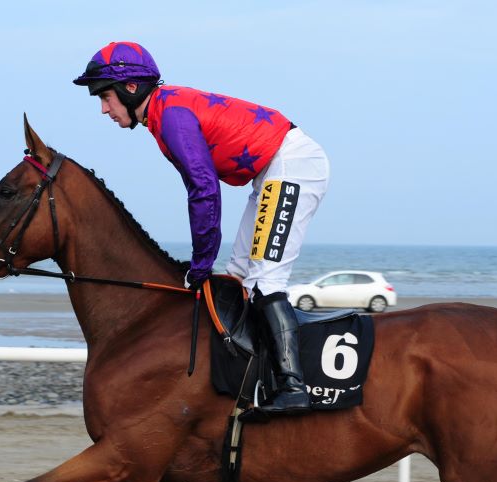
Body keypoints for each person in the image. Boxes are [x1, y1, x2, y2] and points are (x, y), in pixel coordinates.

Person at [73, 41, 330, 416]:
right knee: (240, 277)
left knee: (266, 280)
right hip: (272, 170)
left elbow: (204, 190)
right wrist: (203, 264)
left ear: (131, 88)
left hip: (291, 165)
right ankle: (250, 378)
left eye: (105, 97)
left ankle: (293, 386)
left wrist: (201, 263)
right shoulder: (163, 114)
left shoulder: (171, 115)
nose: (103, 109)